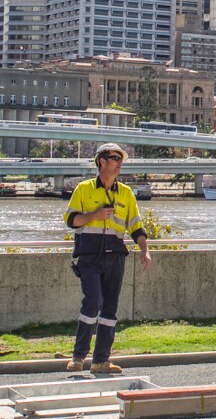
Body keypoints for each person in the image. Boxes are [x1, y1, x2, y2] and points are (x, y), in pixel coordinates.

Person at [64, 143, 151, 374]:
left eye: (121, 159)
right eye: (115, 158)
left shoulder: (126, 193)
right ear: (102, 161)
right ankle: (78, 356)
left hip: (115, 257)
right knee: (93, 301)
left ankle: (101, 361)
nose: (120, 163)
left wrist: (145, 250)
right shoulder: (83, 189)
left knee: (110, 308)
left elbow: (136, 227)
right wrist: (95, 215)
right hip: (89, 256)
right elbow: (71, 220)